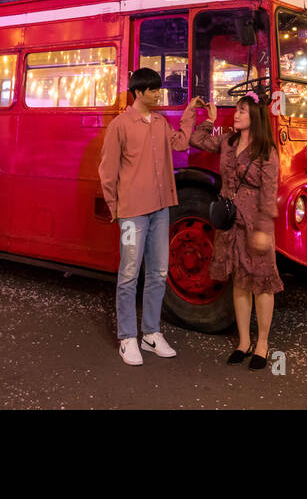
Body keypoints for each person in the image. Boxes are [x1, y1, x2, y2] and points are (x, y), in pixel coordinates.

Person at [97, 67, 193, 366]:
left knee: (158, 273)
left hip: (160, 209)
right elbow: (107, 170)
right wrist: (114, 207)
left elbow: (180, 143)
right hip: (131, 214)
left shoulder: (161, 123)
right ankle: (127, 337)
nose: (157, 93)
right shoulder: (120, 126)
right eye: (152, 89)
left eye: (157, 89)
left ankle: (151, 333)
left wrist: (190, 115)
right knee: (128, 274)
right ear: (138, 92)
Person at [187, 93, 283, 370]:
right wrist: (209, 120)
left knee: (261, 283)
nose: (236, 115)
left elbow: (268, 195)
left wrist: (264, 229)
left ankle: (262, 343)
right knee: (239, 281)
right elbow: (197, 140)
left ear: (255, 116)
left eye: (241, 111)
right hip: (230, 221)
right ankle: (243, 342)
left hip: (255, 223)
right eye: (237, 111)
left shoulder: (266, 151)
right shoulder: (228, 141)